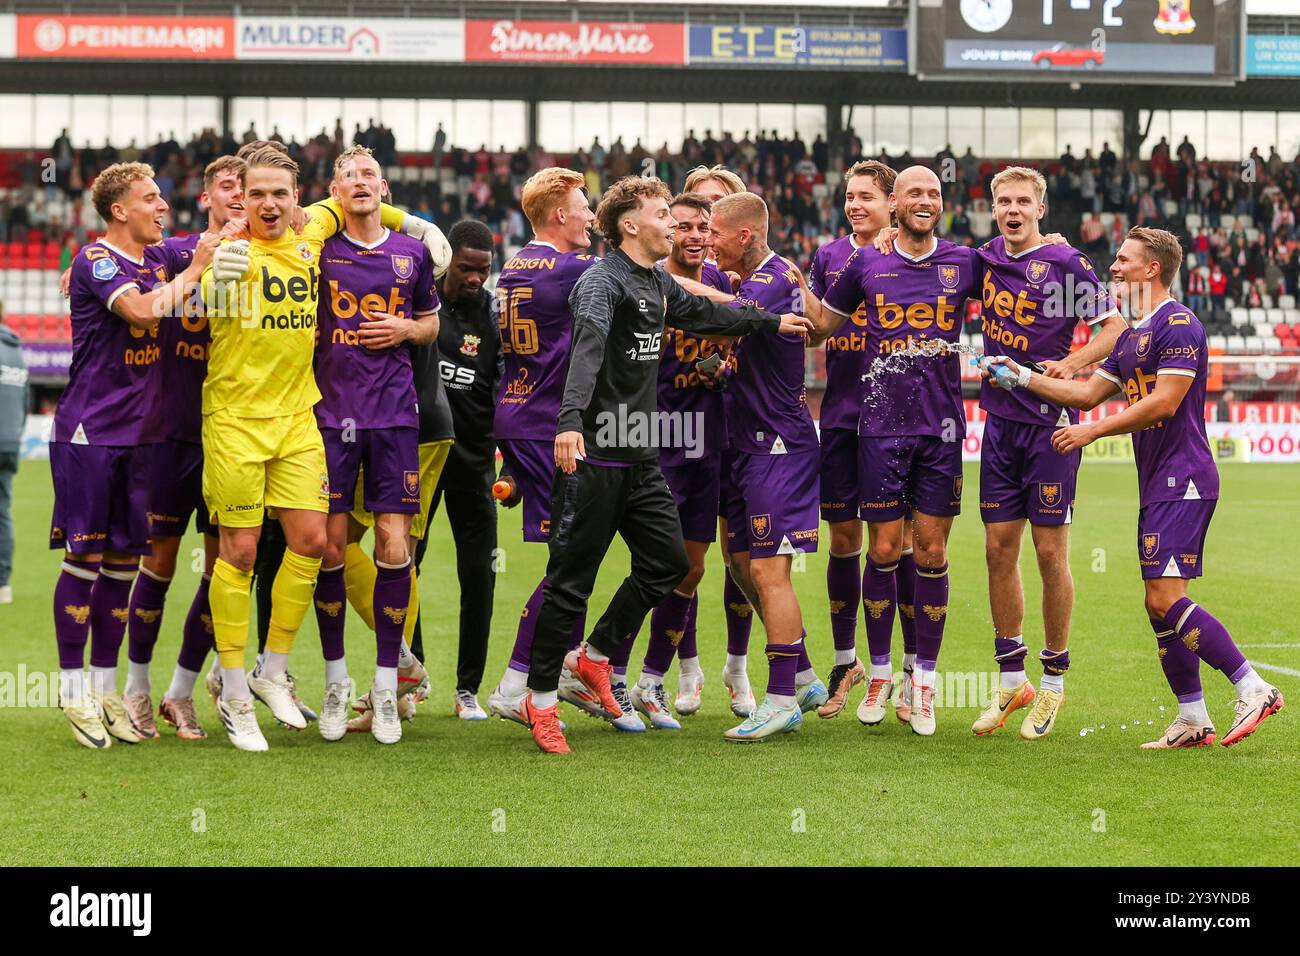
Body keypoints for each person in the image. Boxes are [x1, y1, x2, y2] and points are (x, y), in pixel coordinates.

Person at [519, 175, 813, 754]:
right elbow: (586, 350)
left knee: (668, 562)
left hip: (640, 453)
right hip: (595, 452)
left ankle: (596, 655)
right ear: (631, 225)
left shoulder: (654, 280)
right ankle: (540, 700)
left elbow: (706, 315)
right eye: (663, 213)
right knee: (570, 584)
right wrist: (571, 422)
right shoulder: (602, 284)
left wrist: (769, 322)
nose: (674, 225)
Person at [985, 227, 1284, 749]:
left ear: (1152, 269)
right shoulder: (1130, 337)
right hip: (1158, 482)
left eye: (1124, 260)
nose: (1114, 267)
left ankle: (1253, 686)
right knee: (1156, 603)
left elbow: (1165, 402)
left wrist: (1095, 430)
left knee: (1167, 598)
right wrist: (1022, 377)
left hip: (1185, 477)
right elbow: (1083, 395)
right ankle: (1192, 718)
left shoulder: (1180, 325)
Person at [813, 165, 983, 737]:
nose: (926, 201)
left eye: (934, 193)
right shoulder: (865, 263)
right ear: (895, 202)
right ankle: (880, 671)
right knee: (884, 548)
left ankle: (924, 680)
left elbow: (1018, 271)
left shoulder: (964, 262)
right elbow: (819, 326)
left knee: (930, 552)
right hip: (878, 429)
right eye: (915, 193)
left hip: (941, 432)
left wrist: (1050, 244)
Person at [52, 162, 215, 749]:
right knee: (85, 563)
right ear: (120, 210)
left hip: (143, 438)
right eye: (151, 199)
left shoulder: (157, 259)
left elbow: (215, 235)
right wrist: (196, 269)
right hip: (90, 435)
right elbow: (145, 312)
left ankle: (104, 690)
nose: (163, 208)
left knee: (122, 568)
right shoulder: (96, 261)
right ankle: (73, 694)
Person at [968, 167, 1127, 740]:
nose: (1011, 209)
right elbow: (930, 267)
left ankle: (1054, 682)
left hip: (1052, 426)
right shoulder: (983, 260)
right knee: (995, 548)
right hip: (1000, 427)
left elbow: (1114, 327)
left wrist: (1075, 363)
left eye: (1022, 202)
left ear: (1040, 209)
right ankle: (1012, 677)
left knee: (1049, 552)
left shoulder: (1065, 264)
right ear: (993, 209)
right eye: (1002, 201)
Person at [308, 145, 441, 746]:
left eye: (367, 175)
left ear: (384, 190)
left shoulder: (412, 255)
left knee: (393, 542)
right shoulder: (318, 251)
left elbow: (432, 322)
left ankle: (387, 688)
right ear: (334, 191)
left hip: (394, 417)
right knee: (330, 547)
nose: (358, 183)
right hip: (329, 415)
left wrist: (407, 329)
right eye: (347, 176)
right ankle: (337, 682)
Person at [119, 155, 245, 742]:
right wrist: (79, 267)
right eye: (227, 186)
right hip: (171, 431)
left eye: (248, 186)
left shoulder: (270, 256)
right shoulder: (177, 253)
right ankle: (137, 688)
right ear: (206, 199)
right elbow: (123, 264)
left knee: (223, 567)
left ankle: (180, 692)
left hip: (233, 434)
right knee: (161, 561)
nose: (240, 194)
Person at [484, 168, 608, 727]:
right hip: (547, 425)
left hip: (520, 415)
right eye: (585, 207)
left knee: (572, 556)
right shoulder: (574, 269)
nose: (592, 217)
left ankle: (552, 666)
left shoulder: (515, 265)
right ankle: (517, 683)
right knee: (571, 562)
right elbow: (638, 279)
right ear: (559, 214)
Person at [705, 191, 828, 741]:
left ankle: (780, 699)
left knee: (767, 570)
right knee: (739, 563)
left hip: (779, 444)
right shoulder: (756, 280)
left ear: (745, 236)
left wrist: (663, 279)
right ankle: (801, 675)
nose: (708, 242)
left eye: (714, 233)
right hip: (747, 443)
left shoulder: (773, 280)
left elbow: (719, 317)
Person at [628, 191, 732, 728]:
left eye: (702, 228)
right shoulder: (645, 284)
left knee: (691, 569)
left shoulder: (725, 288)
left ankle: (650, 681)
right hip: (656, 440)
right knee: (655, 566)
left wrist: (722, 371)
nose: (693, 236)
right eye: (684, 226)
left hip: (706, 443)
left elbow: (737, 356)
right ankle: (610, 673)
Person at [806, 160, 898, 721]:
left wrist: (1050, 237)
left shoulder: (915, 253)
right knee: (844, 539)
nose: (855, 205)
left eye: (866, 196)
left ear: (892, 201)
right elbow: (816, 324)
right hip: (841, 414)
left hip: (900, 420)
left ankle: (908, 671)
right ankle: (847, 662)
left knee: (900, 544)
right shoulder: (828, 257)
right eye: (849, 196)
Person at [680, 164, 757, 716]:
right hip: (679, 430)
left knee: (741, 557)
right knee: (683, 561)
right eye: (698, 208)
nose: (706, 221)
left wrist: (721, 366)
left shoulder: (741, 280)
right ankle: (686, 669)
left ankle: (737, 665)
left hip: (736, 427)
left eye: (717, 209)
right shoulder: (659, 269)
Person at [420, 220, 500, 721]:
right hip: (422, 457)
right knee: (403, 567)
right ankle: (411, 672)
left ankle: (467, 688)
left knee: (480, 575)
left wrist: (507, 458)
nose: (475, 278)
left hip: (474, 461)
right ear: (449, 263)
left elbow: (509, 390)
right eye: (467, 269)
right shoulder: (420, 303)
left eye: (484, 270)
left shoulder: (494, 317)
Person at [0, 310, 28, 606]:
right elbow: (25, 401)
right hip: (9, 441)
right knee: (3, 512)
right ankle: (2, 584)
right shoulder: (18, 351)